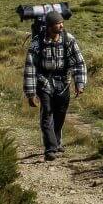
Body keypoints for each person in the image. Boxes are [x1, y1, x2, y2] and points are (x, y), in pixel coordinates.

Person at [22, 10, 87, 161]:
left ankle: (57, 142)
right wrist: (31, 94)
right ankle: (50, 148)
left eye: (62, 23)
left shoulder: (68, 40)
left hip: (63, 83)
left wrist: (80, 83)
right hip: (43, 82)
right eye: (58, 24)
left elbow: (79, 62)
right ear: (50, 26)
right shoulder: (37, 43)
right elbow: (30, 67)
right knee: (47, 113)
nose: (61, 26)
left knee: (60, 113)